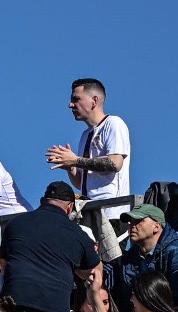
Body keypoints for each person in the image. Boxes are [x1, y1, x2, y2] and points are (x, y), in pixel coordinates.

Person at [48, 78, 133, 215]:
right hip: (89, 212)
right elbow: (80, 183)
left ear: (94, 100)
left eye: (76, 99)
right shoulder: (85, 135)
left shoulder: (114, 123)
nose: (71, 105)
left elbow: (115, 163)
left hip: (111, 213)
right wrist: (70, 168)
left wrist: (75, 160)